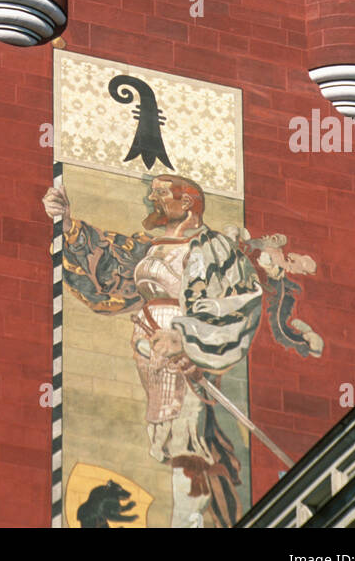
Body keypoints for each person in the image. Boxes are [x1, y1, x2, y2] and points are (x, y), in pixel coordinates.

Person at [43, 174, 264, 528]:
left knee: (187, 439)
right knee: (168, 436)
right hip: (149, 352)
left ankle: (187, 518)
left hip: (185, 352)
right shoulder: (152, 244)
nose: (151, 199)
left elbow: (238, 302)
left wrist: (187, 338)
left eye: (160, 193)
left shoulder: (214, 247)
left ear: (187, 202)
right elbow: (112, 263)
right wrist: (68, 223)